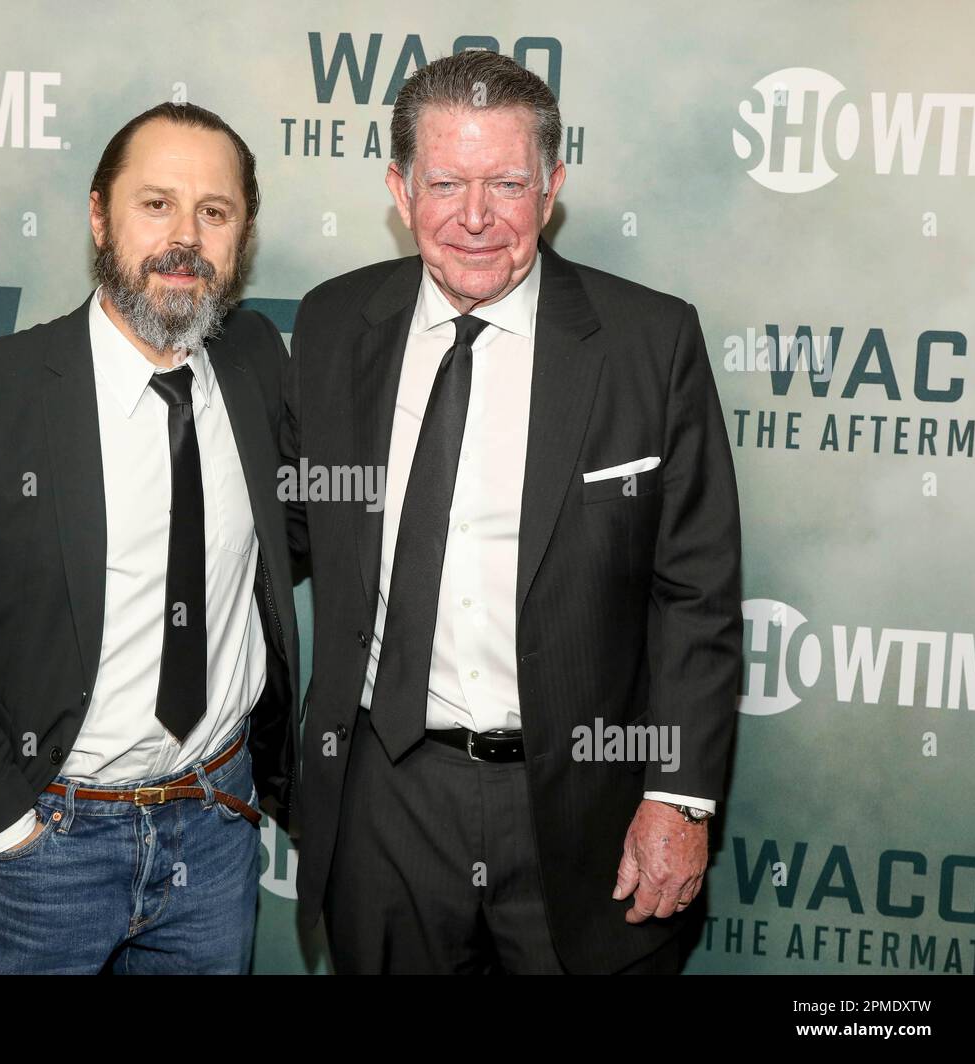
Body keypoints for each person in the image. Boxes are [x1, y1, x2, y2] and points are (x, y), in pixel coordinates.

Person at [283, 50, 742, 973]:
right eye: (446, 183)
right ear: (400, 188)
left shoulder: (648, 342)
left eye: (507, 183)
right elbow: (278, 528)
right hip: (384, 799)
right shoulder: (335, 325)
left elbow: (696, 592)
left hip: (586, 807)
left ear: (553, 185)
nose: (476, 218)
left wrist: (681, 800)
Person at [0, 101, 299, 974]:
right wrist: (8, 830)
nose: (184, 237)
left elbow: (283, 540)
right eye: (156, 204)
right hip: (52, 845)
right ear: (98, 215)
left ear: (242, 235)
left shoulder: (258, 358)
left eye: (213, 212)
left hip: (216, 831)